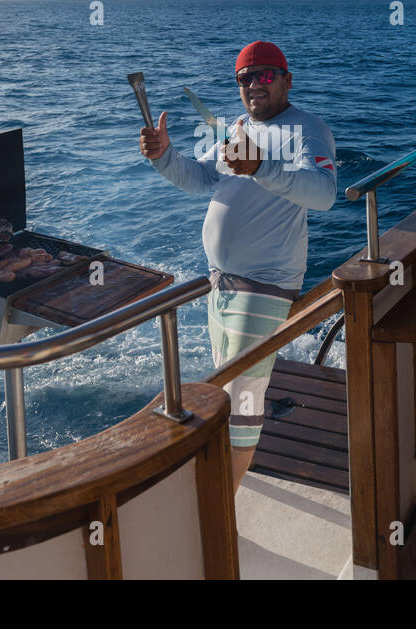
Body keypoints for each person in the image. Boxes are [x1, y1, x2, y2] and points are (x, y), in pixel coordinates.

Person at [140, 41, 337, 490]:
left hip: (264, 285)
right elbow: (202, 178)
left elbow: (323, 193)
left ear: (287, 80)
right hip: (222, 284)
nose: (254, 85)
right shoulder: (237, 129)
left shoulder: (308, 129)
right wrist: (164, 157)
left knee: (243, 405)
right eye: (245, 78)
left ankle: (221, 510)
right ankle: (222, 487)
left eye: (265, 75)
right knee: (226, 393)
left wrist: (260, 165)